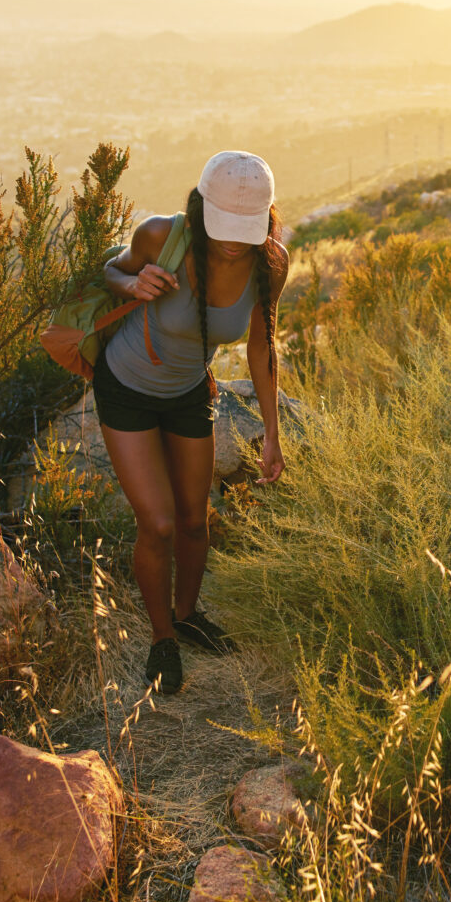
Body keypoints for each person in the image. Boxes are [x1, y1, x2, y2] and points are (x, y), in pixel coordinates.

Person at [94, 150, 287, 694]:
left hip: (187, 393)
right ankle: (162, 638)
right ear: (200, 205)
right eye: (223, 222)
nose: (232, 238)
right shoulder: (162, 236)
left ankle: (186, 614)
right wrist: (131, 286)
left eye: (245, 226)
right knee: (156, 524)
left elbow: (261, 347)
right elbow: (111, 271)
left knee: (195, 521)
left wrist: (271, 433)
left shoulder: (270, 262)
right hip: (126, 387)